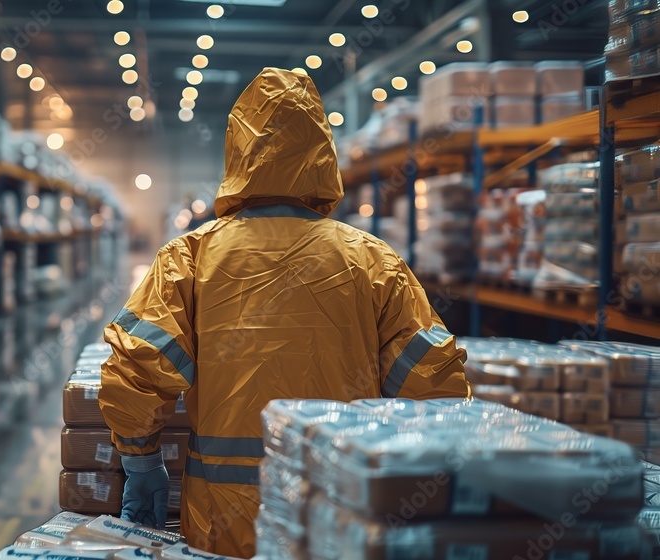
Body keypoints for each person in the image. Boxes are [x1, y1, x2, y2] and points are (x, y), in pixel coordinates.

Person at [98, 68, 471, 558]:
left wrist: (142, 462)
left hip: (219, 524)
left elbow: (137, 367)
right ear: (322, 154)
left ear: (237, 152)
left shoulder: (189, 258)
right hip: (339, 516)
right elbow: (434, 387)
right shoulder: (373, 261)